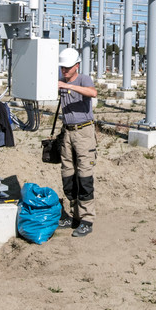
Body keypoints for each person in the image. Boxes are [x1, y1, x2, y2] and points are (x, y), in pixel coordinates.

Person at [55, 47, 98, 237]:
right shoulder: (60, 77)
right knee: (68, 175)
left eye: (67, 68)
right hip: (68, 133)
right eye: (62, 68)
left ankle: (87, 219)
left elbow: (93, 93)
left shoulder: (83, 79)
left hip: (84, 133)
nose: (64, 71)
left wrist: (67, 86)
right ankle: (74, 215)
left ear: (76, 66)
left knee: (84, 176)